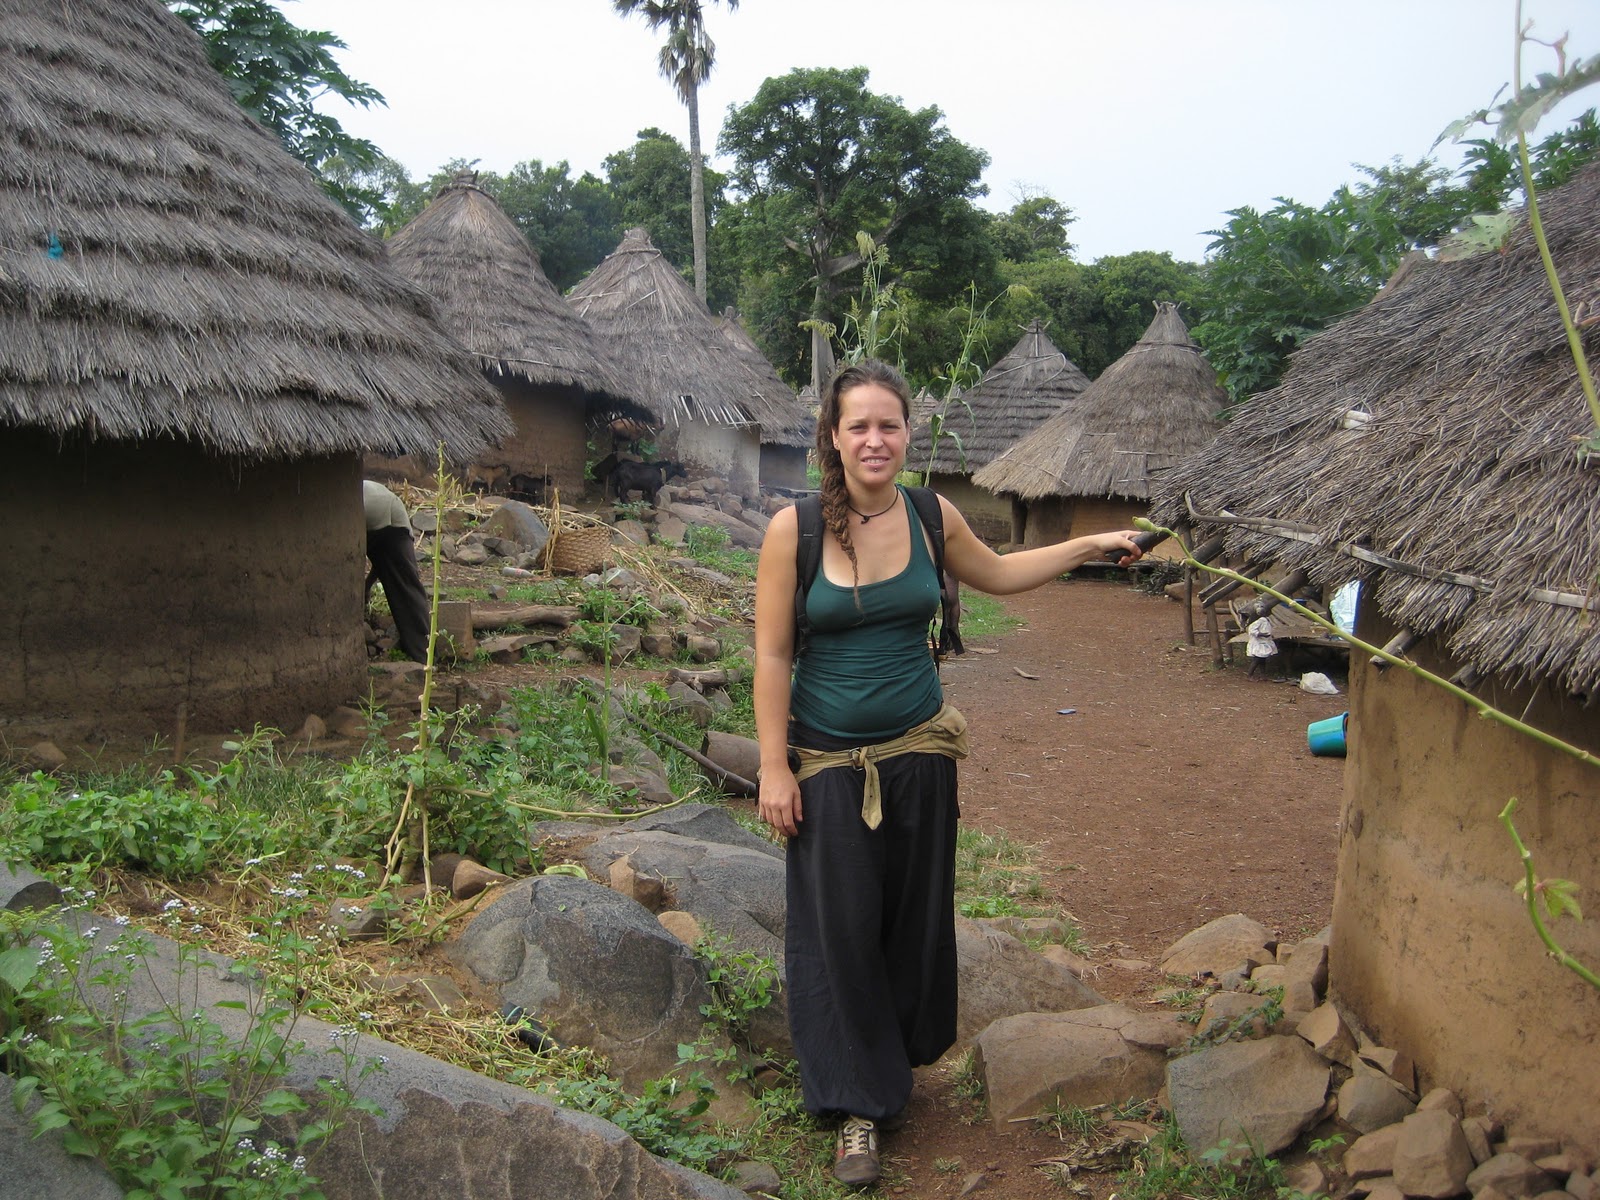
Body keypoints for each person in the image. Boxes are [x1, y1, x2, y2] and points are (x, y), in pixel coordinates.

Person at [752, 360, 1142, 1188]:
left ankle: (889, 1065)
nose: (874, 439)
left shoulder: (932, 516)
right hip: (827, 763)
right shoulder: (795, 529)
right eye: (857, 424)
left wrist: (1090, 542)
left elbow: (1002, 574)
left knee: (909, 919)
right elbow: (773, 651)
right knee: (840, 928)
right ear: (832, 434)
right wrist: (773, 766)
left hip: (922, 754)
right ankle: (857, 1109)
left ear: (907, 434)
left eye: (888, 424)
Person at [362, 480, 431, 663]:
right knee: (408, 588)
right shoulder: (368, 486)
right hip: (392, 511)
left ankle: (422, 655)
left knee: (405, 587)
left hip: (368, 508)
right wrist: (368, 585)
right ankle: (422, 651)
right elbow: (384, 561)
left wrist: (365, 586)